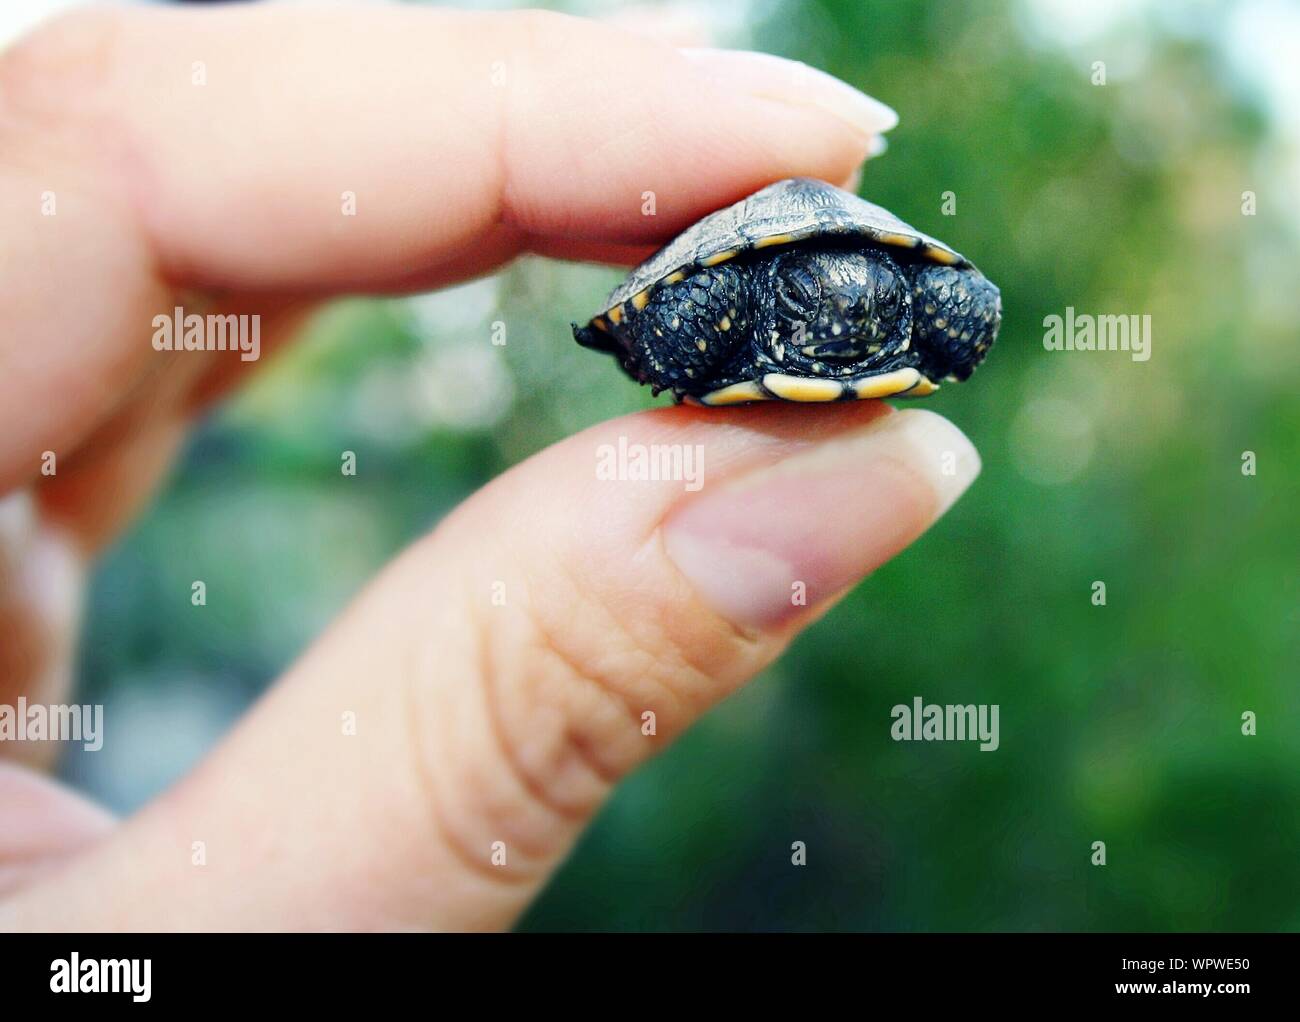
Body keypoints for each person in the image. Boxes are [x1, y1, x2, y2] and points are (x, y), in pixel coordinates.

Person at [0, 3, 979, 930]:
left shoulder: (903, 293)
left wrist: (932, 315)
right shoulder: (747, 293)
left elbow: (961, 297)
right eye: (819, 295)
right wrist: (667, 334)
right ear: (780, 292)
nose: (850, 310)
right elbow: (665, 308)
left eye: (869, 299)